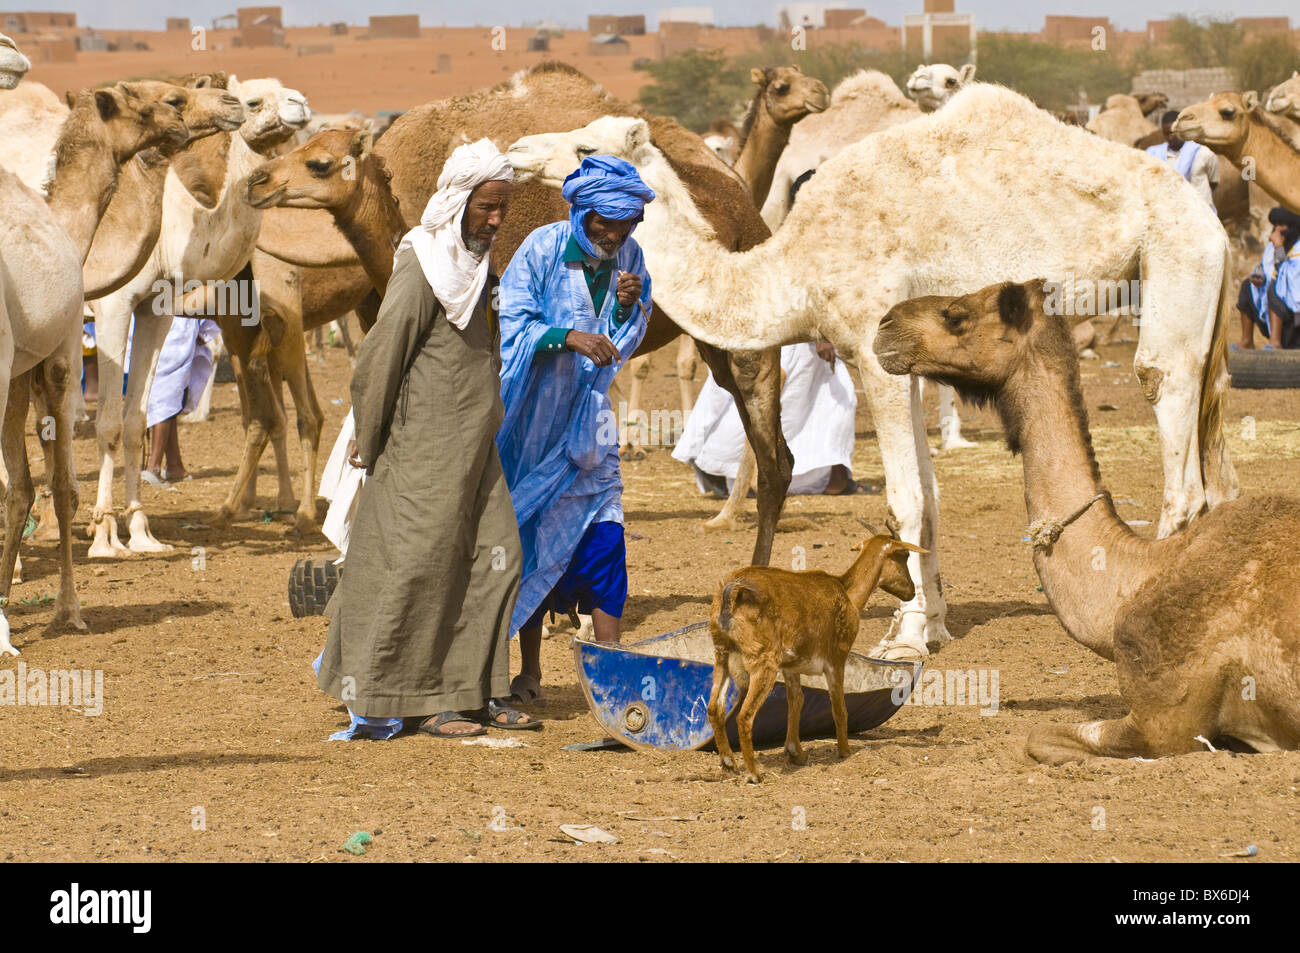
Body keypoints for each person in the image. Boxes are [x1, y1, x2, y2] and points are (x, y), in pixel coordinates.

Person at [314, 138, 538, 740]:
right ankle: (419, 697)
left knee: (499, 558)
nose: (495, 220)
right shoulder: (423, 261)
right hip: (424, 446)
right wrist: (369, 428)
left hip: (475, 442)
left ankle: (479, 690)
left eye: (503, 209)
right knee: (425, 565)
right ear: (458, 200)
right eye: (486, 208)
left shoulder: (474, 264)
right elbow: (382, 352)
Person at [495, 155, 655, 704]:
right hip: (532, 426)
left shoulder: (628, 255)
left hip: (591, 425)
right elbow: (511, 326)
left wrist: (627, 310)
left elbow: (625, 337)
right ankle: (529, 672)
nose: (613, 234)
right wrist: (567, 336)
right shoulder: (540, 249)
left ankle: (608, 681)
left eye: (625, 224)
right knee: (535, 543)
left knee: (606, 539)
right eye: (604, 223)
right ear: (580, 213)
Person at [673, 341, 869, 498]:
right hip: (790, 329)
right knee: (767, 403)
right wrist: (821, 334)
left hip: (784, 328)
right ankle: (715, 466)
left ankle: (836, 474)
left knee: (836, 398)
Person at [142, 316, 220, 485]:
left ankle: (154, 466)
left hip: (178, 325)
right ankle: (174, 465)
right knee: (165, 392)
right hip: (158, 320)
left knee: (166, 391)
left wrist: (205, 328)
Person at [1237, 207, 1300, 350]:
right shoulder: (1273, 247)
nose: (1277, 230)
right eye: (1275, 225)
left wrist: (1279, 246)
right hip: (1275, 312)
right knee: (1247, 286)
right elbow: (1264, 265)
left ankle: (1275, 342)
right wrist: (1258, 276)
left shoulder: (1297, 247)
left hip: (1294, 315)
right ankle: (1247, 341)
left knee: (1276, 287)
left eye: (1282, 225)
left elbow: (1285, 274)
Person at [1146, 110, 1219, 208]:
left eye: (1173, 133)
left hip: (1199, 211)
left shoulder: (1203, 153)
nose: (1170, 138)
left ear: (1181, 130)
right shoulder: (1154, 154)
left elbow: (1213, 182)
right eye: (1166, 134)